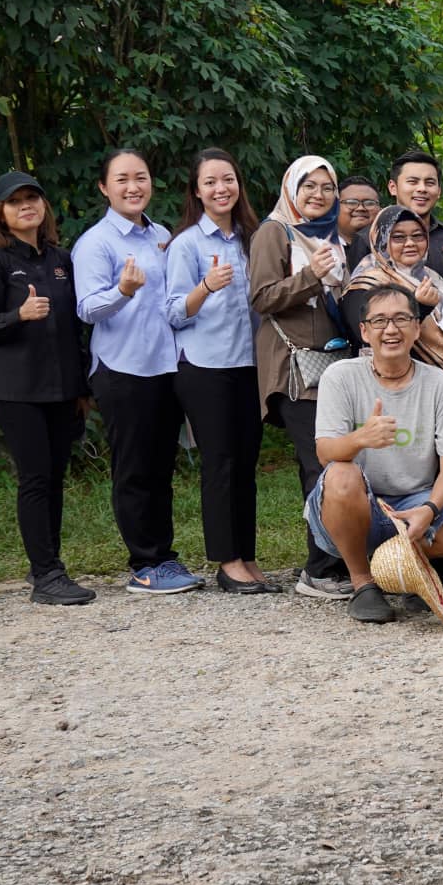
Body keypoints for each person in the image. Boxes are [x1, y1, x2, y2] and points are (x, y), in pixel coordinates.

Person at [308, 285, 443, 624]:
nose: (391, 330)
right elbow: (325, 452)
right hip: (359, 502)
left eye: (402, 319)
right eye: (380, 321)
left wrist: (430, 509)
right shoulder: (340, 376)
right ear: (364, 331)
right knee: (342, 473)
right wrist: (361, 438)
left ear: (417, 328)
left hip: (415, 501)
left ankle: (403, 569)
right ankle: (363, 583)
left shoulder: (441, 384)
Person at [75, 148, 199, 596]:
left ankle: (164, 556)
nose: (133, 187)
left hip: (165, 367)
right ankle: (144, 563)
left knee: (160, 467)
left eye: (141, 177)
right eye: (122, 179)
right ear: (104, 188)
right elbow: (87, 309)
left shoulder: (161, 235)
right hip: (123, 369)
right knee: (134, 469)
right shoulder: (96, 242)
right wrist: (122, 291)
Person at [0, 171, 93, 605]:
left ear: (44, 207)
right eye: (15, 201)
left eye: (33, 198)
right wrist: (17, 315)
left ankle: (45, 562)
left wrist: (82, 387)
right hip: (14, 388)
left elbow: (74, 330)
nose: (26, 206)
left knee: (53, 477)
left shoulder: (60, 259)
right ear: (0, 214)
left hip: (61, 387)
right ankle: (47, 576)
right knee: (36, 477)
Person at [164, 147, 276, 594]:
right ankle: (227, 562)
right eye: (210, 182)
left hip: (248, 365)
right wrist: (205, 287)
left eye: (227, 179)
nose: (220, 188)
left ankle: (247, 556)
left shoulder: (253, 237)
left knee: (246, 462)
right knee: (220, 463)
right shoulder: (187, 243)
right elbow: (173, 313)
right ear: (197, 191)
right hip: (204, 366)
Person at [250, 154, 355, 600]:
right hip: (295, 368)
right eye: (309, 186)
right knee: (322, 464)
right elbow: (262, 296)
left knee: (326, 465)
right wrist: (311, 277)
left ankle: (329, 560)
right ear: (292, 190)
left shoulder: (334, 235)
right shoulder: (274, 232)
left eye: (327, 187)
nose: (318, 195)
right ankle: (320, 570)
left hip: (334, 364)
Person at [343, 206, 443, 392]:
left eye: (418, 236)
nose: (410, 243)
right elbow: (370, 335)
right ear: (382, 241)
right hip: (400, 386)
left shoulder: (432, 278)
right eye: (398, 237)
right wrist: (420, 306)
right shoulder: (366, 283)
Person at [373, 150, 443, 281]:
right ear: (393, 187)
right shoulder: (371, 238)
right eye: (413, 182)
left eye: (430, 183)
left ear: (439, 191)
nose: (422, 189)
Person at [335, 174, 380, 247]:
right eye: (352, 202)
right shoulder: (319, 246)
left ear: (380, 209)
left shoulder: (391, 248)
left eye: (369, 203)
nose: (361, 208)